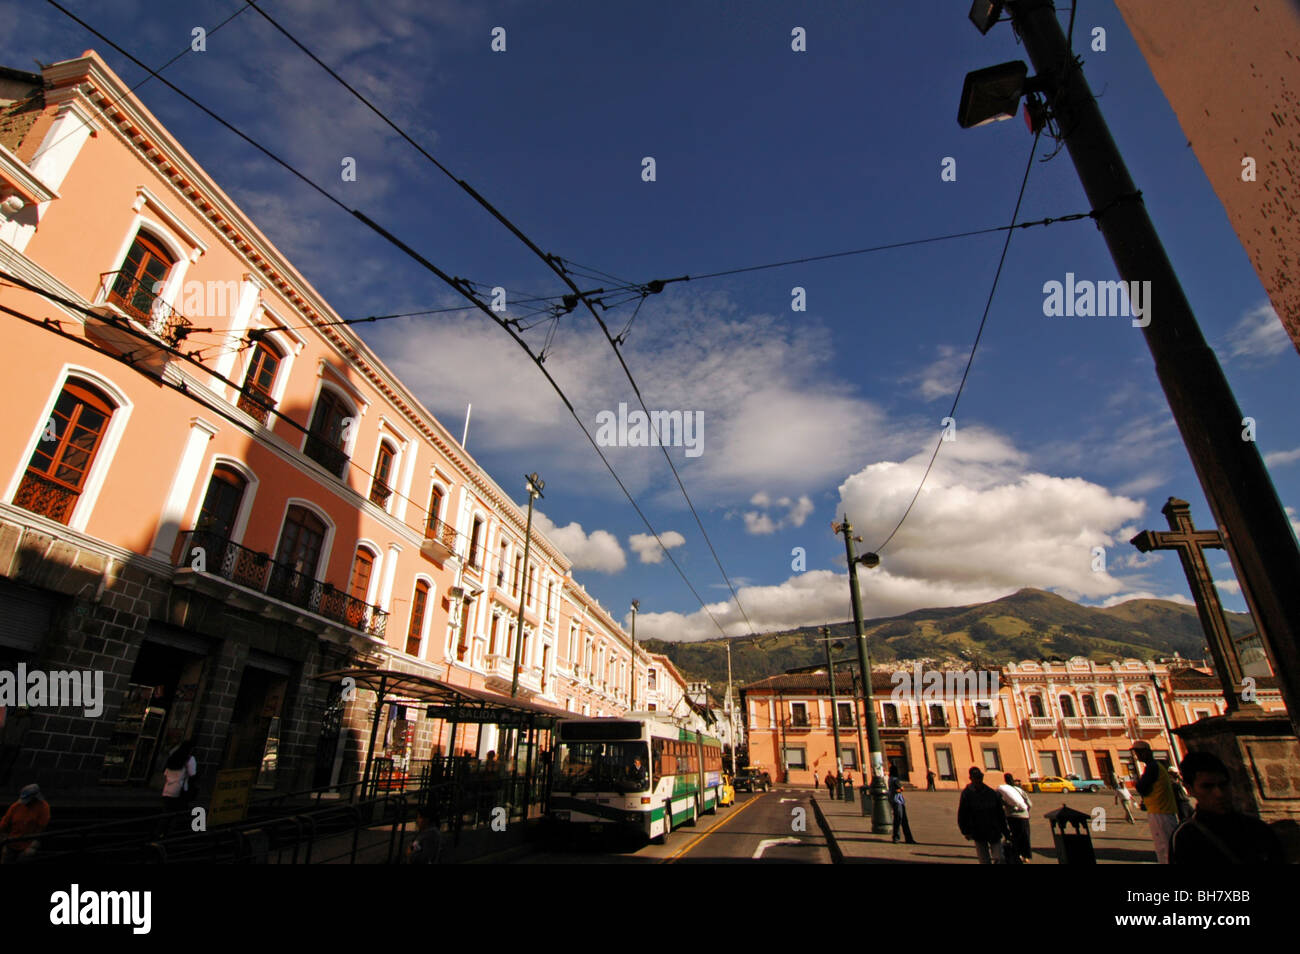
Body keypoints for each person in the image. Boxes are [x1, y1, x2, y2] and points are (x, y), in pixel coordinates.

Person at [1170, 751, 1284, 864]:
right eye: (1207, 787)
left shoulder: (1257, 829)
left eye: (1223, 784)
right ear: (1189, 789)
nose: (1219, 793)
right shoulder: (1187, 837)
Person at [1132, 741, 1178, 864]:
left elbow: (1141, 786)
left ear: (1146, 752)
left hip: (1160, 811)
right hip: (1161, 810)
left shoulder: (1153, 767)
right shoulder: (1157, 766)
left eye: (1138, 753)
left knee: (1165, 847)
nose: (1137, 756)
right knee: (1165, 846)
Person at [958, 766, 1009, 863]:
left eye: (980, 777)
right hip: (977, 831)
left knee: (1000, 857)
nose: (978, 780)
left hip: (993, 829)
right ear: (971, 778)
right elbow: (963, 813)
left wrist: (1005, 830)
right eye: (976, 777)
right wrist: (965, 831)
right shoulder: (967, 794)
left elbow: (1000, 813)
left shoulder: (991, 792)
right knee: (984, 859)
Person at [0, 783, 50, 864]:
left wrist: (32, 845)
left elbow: (41, 829)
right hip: (11, 841)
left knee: (24, 858)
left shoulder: (43, 807)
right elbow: (4, 823)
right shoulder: (16, 806)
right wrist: (3, 839)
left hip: (28, 843)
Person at [997, 772, 1033, 863]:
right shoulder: (1019, 790)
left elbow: (1000, 802)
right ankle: (1026, 855)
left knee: (1014, 836)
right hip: (1023, 816)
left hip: (1010, 816)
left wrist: (1008, 806)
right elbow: (1029, 804)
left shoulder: (1004, 790)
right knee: (1025, 836)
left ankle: (1017, 853)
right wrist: (1026, 810)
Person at [888, 774, 917, 844]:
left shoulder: (890, 779)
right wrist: (900, 789)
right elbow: (900, 788)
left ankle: (905, 838)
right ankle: (898, 837)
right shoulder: (895, 779)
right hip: (898, 802)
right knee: (901, 820)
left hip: (895, 801)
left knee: (901, 820)